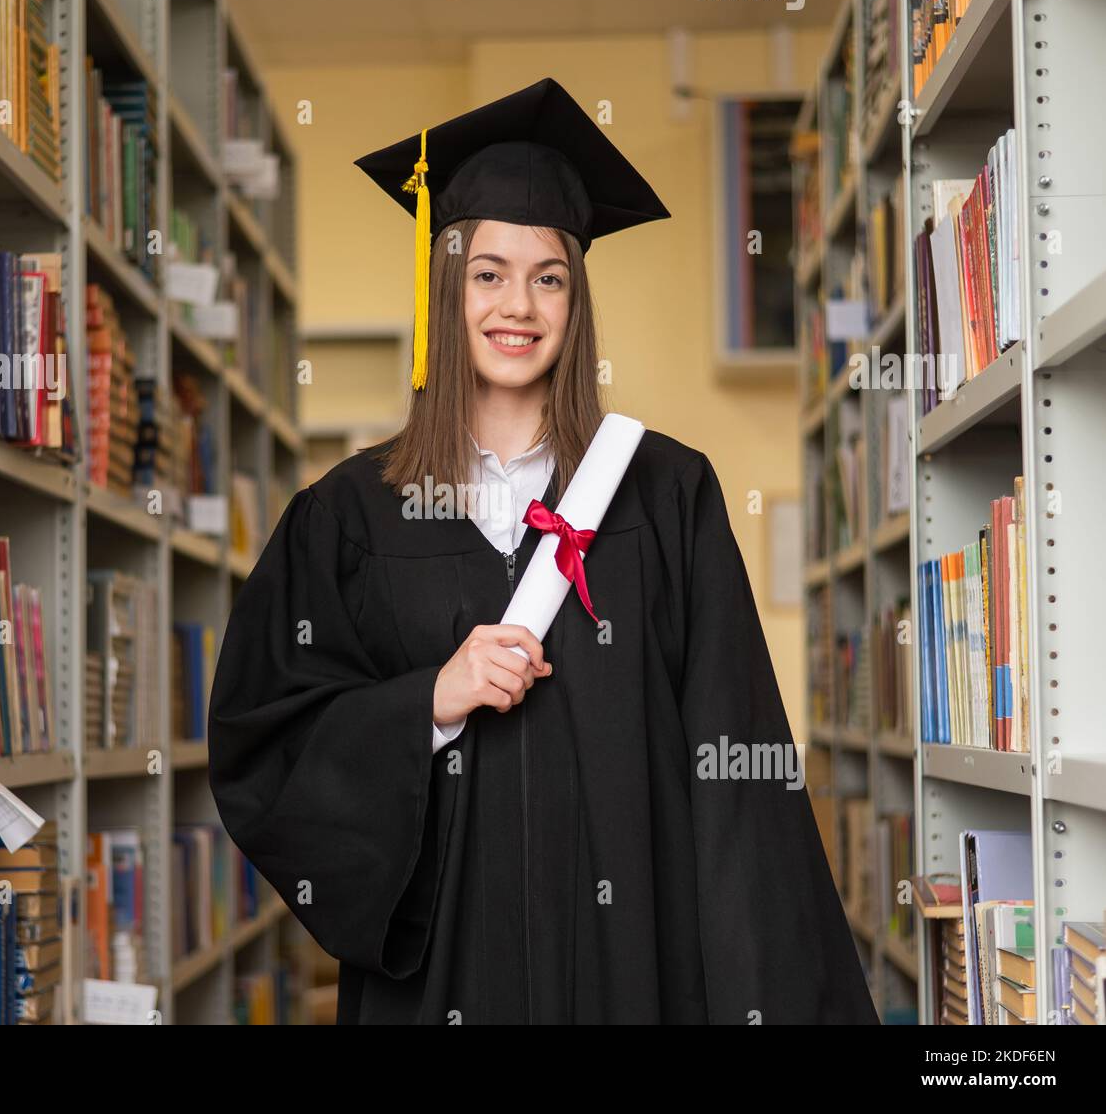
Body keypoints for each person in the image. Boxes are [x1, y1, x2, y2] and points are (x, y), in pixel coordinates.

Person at [208, 77, 879, 1025]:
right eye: (487, 272)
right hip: (439, 982)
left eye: (548, 275)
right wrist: (426, 704)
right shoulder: (350, 514)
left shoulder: (665, 494)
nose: (516, 304)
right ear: (446, 287)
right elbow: (264, 739)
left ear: (575, 299)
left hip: (629, 972)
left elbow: (738, 780)